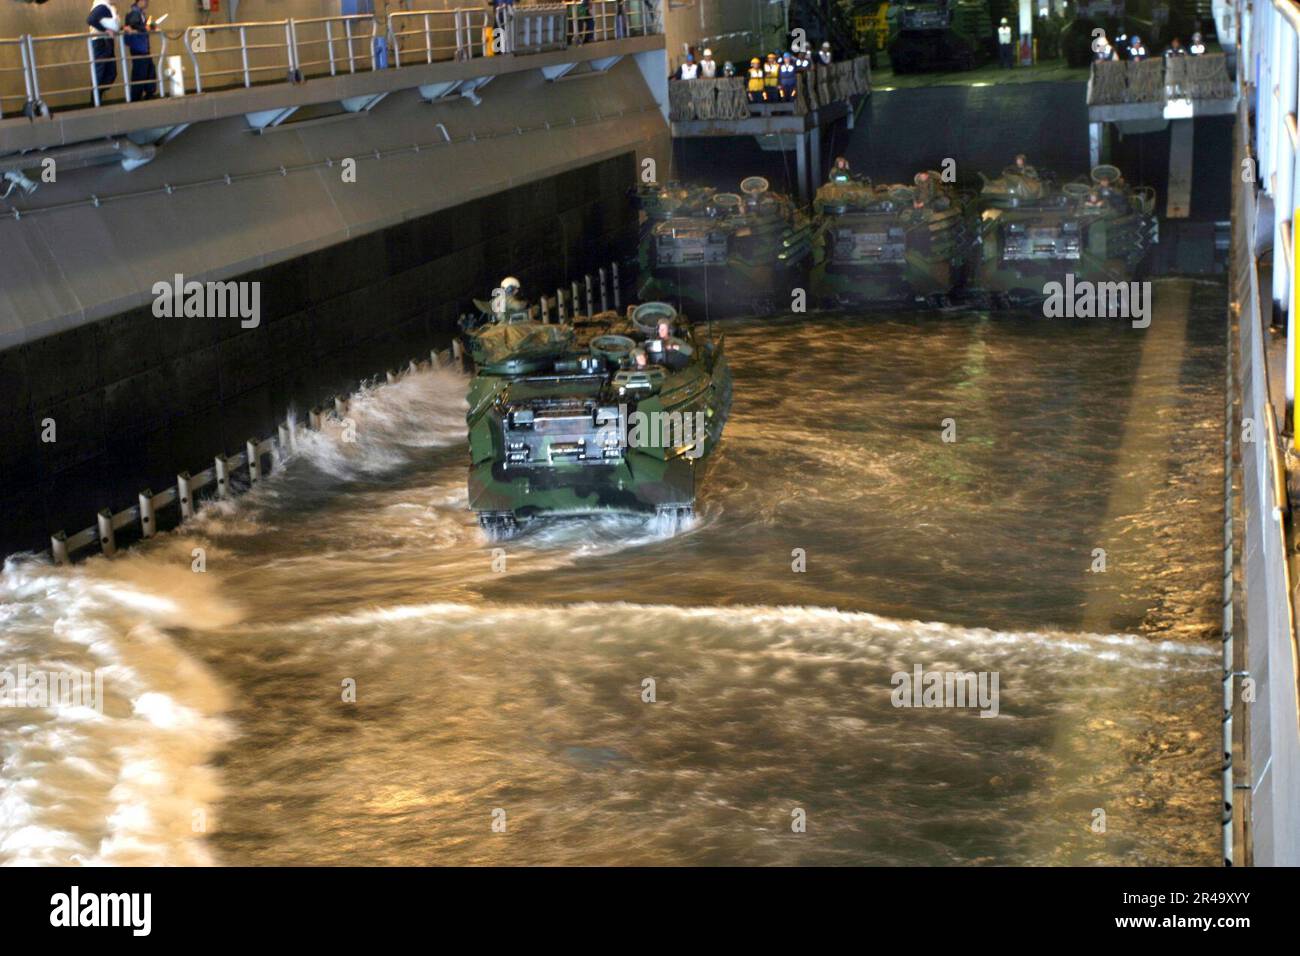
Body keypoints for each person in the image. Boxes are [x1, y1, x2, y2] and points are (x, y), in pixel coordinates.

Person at [123, 0, 157, 100]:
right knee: (141, 72)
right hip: (139, 47)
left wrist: (150, 27)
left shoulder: (139, 13)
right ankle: (137, 96)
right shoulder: (134, 13)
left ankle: (147, 93)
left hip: (142, 46)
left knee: (149, 69)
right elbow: (134, 25)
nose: (147, 3)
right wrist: (145, 28)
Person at [86, 0, 121, 95]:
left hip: (104, 41)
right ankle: (96, 98)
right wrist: (105, 30)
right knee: (101, 72)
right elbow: (90, 19)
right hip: (101, 41)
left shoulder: (106, 6)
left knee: (109, 72)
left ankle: (97, 95)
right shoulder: (102, 6)